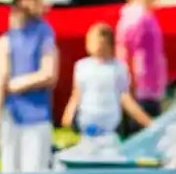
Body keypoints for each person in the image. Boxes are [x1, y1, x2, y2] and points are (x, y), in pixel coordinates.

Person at [0, 0, 57, 174]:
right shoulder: (6, 39)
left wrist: (19, 84)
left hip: (37, 114)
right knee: (9, 169)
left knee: (34, 168)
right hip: (12, 113)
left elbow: (49, 73)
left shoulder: (44, 33)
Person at [61, 23, 153, 158]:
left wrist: (147, 122)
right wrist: (69, 112)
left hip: (109, 127)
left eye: (97, 42)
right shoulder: (82, 66)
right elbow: (77, 93)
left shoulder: (118, 68)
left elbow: (125, 98)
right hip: (87, 125)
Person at [115, 0, 167, 136]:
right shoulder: (136, 17)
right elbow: (125, 52)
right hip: (140, 85)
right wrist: (128, 83)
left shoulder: (146, 16)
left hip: (150, 83)